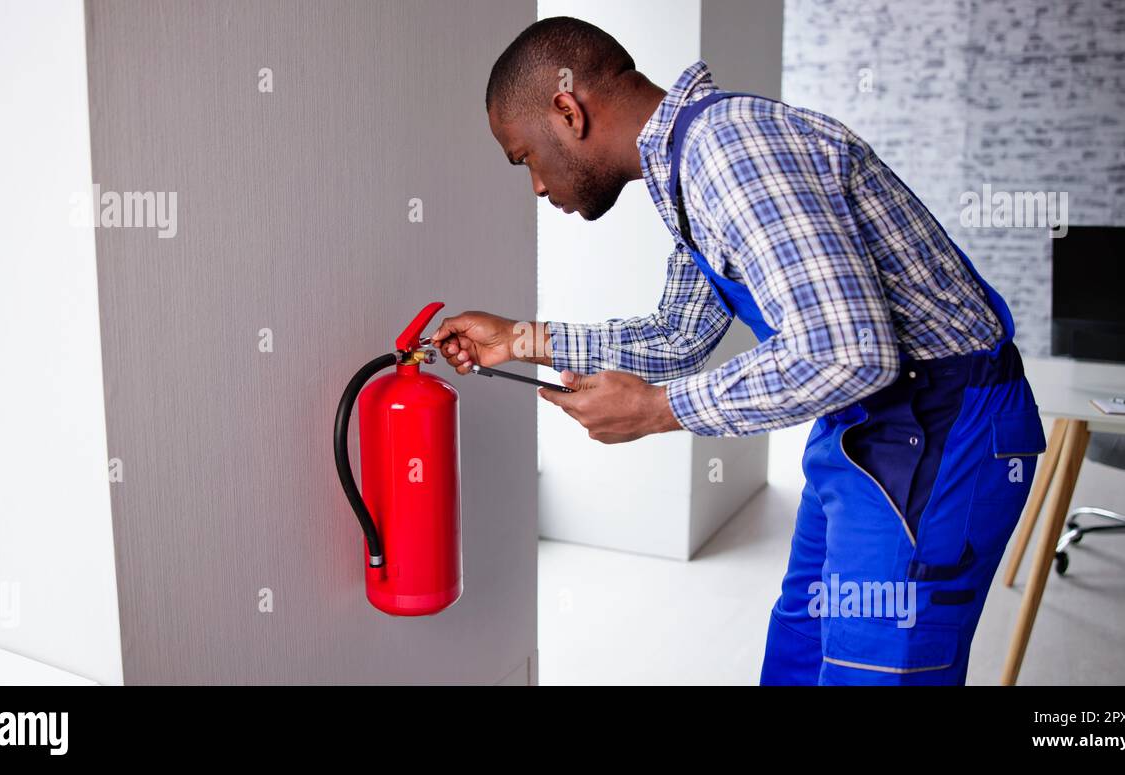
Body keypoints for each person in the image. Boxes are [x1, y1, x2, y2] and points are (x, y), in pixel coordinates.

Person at [431, 16, 1047, 685]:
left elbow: (847, 353)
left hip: (941, 430)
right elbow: (677, 333)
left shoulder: (729, 151)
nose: (538, 186)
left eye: (524, 158)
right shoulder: (689, 166)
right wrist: (520, 340)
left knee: (870, 669)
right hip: (863, 430)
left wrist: (657, 411)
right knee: (800, 656)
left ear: (567, 109)